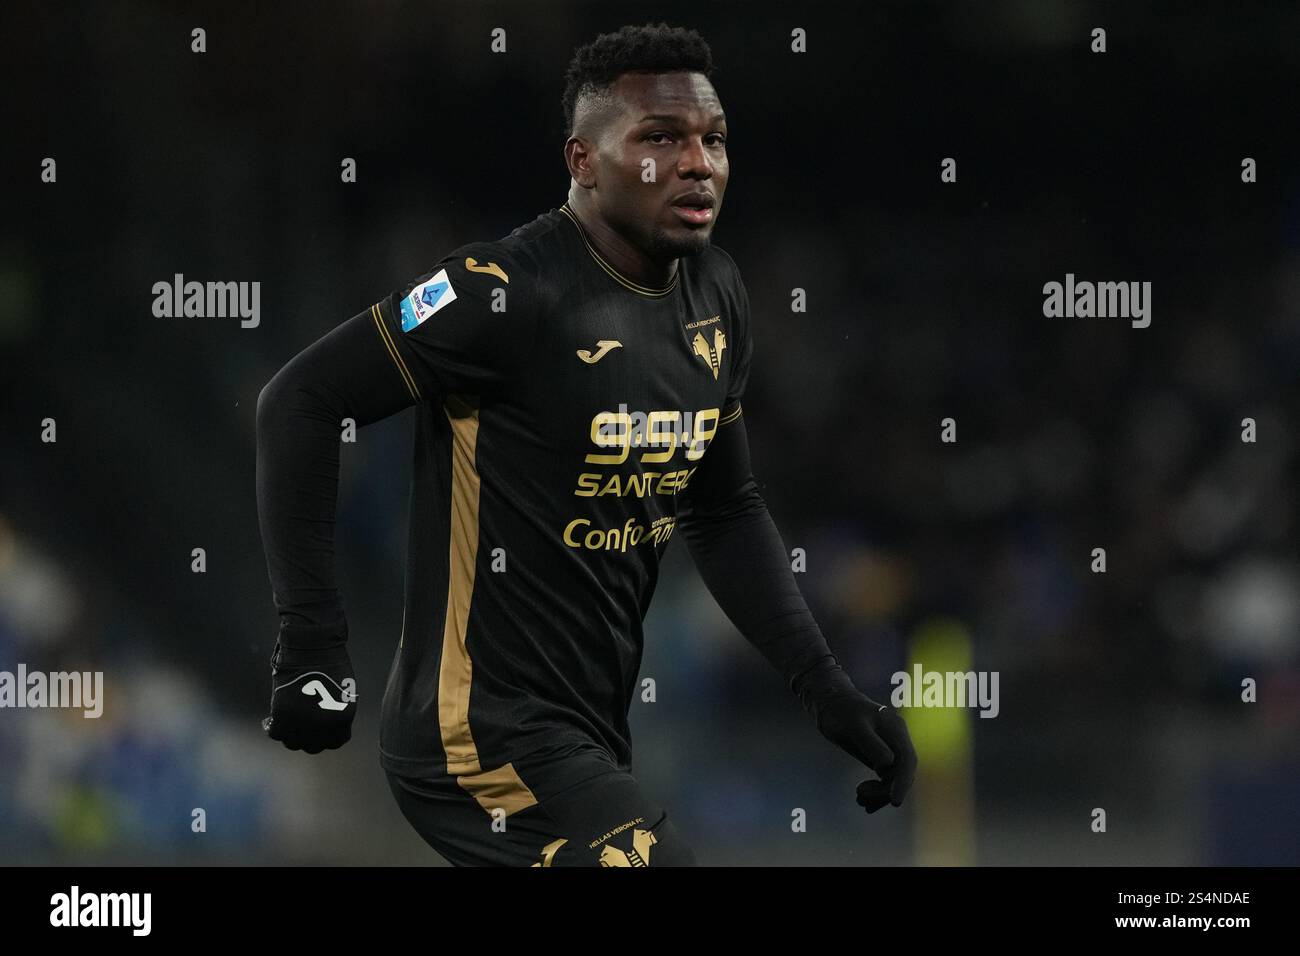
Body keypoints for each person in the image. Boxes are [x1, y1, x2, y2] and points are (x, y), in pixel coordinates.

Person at [255, 21, 916, 867]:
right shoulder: (501, 291)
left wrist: (824, 689)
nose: (697, 163)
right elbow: (300, 401)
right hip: (474, 735)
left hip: (591, 740)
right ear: (583, 162)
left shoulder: (716, 292)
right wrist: (310, 647)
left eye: (713, 139)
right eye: (661, 138)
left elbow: (722, 507)